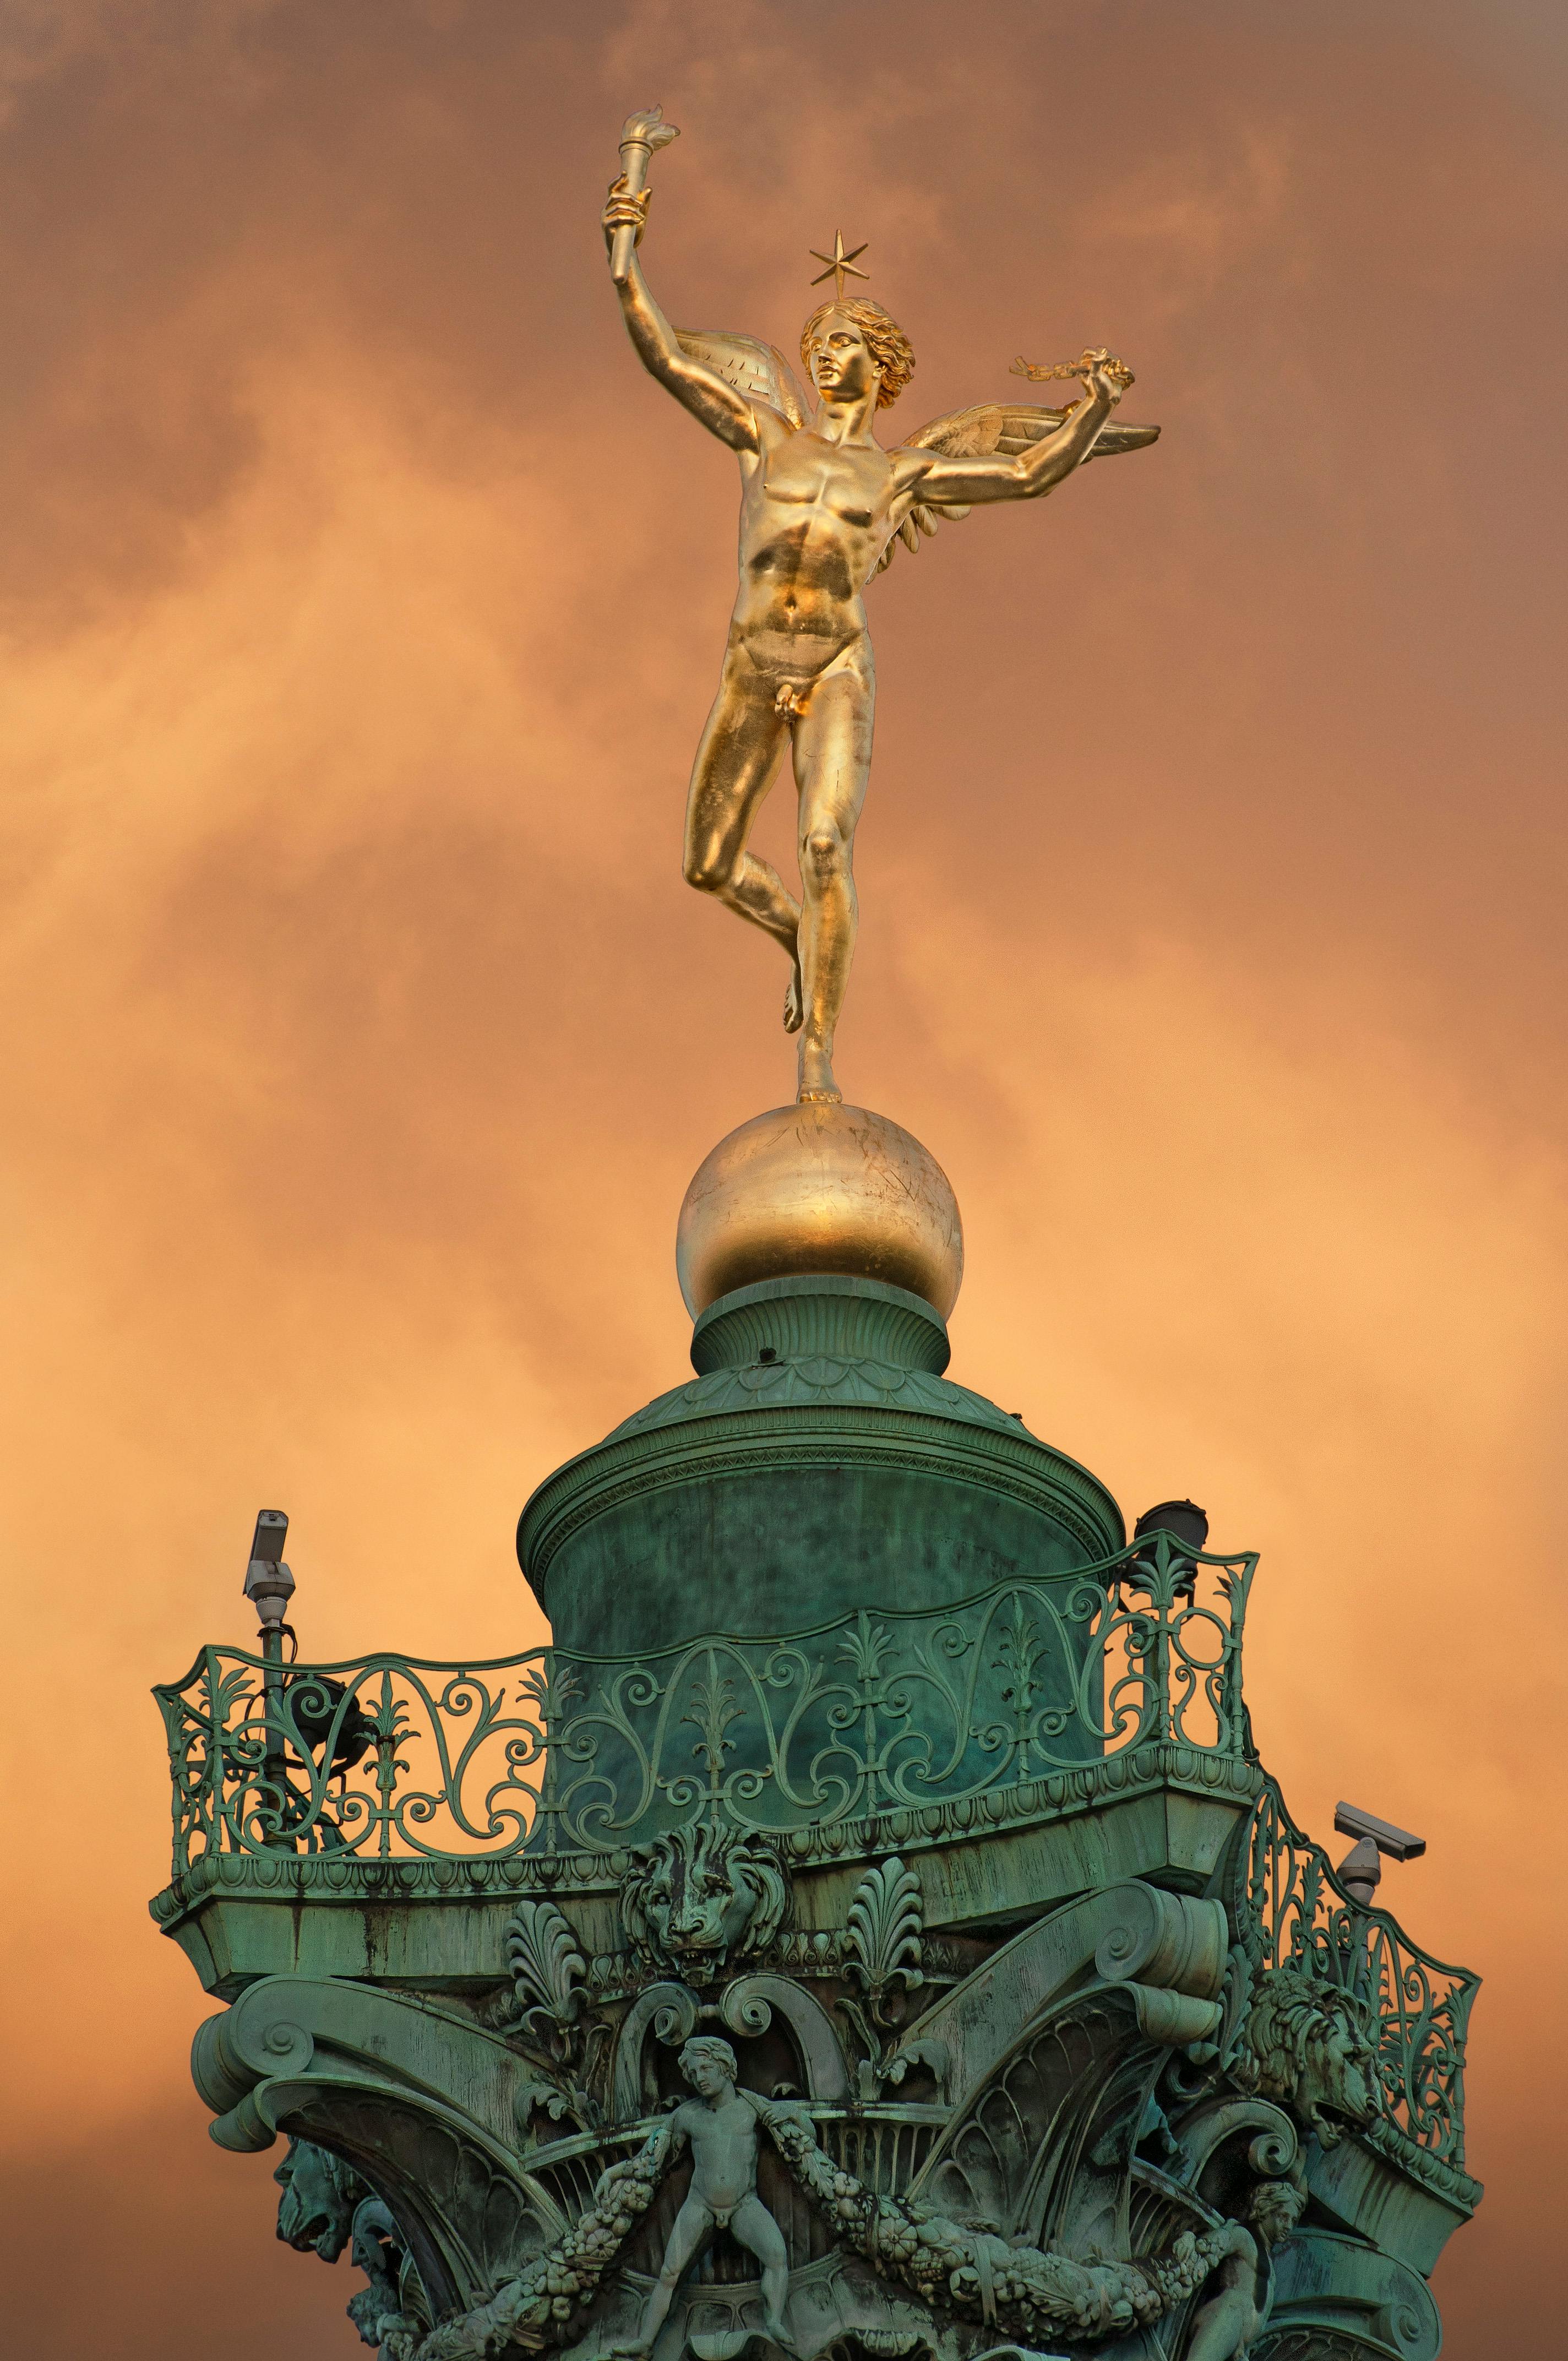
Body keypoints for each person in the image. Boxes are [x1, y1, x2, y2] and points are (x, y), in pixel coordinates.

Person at [602, 178, 1129, 1105]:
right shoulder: (766, 435)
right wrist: (623, 253)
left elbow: (1027, 470)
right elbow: (666, 359)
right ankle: (799, 941)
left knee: (820, 846)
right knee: (708, 864)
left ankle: (818, 1066)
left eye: (847, 343)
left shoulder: (903, 470)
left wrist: (1090, 406)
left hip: (833, 667)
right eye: (823, 343)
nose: (829, 354)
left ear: (881, 367)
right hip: (754, 662)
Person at [619, 2034, 794, 2355]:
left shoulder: (753, 2108)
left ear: (726, 2068)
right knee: (670, 2273)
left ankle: (774, 2319)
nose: (699, 2078)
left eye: (705, 2069)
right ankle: (645, 2341)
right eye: (693, 2073)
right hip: (700, 2203)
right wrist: (615, 2174)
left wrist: (786, 2122)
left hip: (744, 2203)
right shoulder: (687, 2116)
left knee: (777, 2256)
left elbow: (804, 2134)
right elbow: (651, 2158)